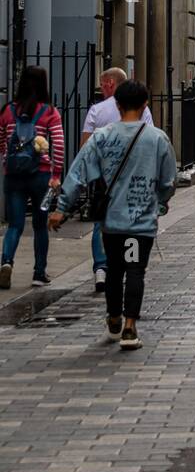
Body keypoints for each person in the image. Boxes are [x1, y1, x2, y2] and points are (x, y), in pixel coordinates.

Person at [49, 81, 176, 351]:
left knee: (115, 271)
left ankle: (114, 318)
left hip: (112, 221)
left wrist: (61, 207)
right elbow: (168, 181)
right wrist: (161, 201)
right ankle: (130, 325)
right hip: (140, 223)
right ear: (145, 106)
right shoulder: (157, 138)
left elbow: (78, 172)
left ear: (117, 105)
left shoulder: (102, 136)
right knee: (135, 270)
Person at [80, 67, 154, 293]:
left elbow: (85, 148)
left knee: (101, 221)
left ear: (111, 83)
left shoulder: (96, 110)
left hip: (105, 178)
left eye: (102, 85)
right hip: (133, 177)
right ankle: (129, 265)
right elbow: (149, 144)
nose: (101, 89)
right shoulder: (143, 111)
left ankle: (102, 267)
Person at [0, 66, 65, 289]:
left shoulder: (8, 111)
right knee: (39, 225)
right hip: (41, 175)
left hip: (14, 175)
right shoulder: (48, 112)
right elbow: (58, 144)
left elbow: (1, 144)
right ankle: (39, 273)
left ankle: (6, 262)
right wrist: (56, 174)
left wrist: (6, 163)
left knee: (15, 224)